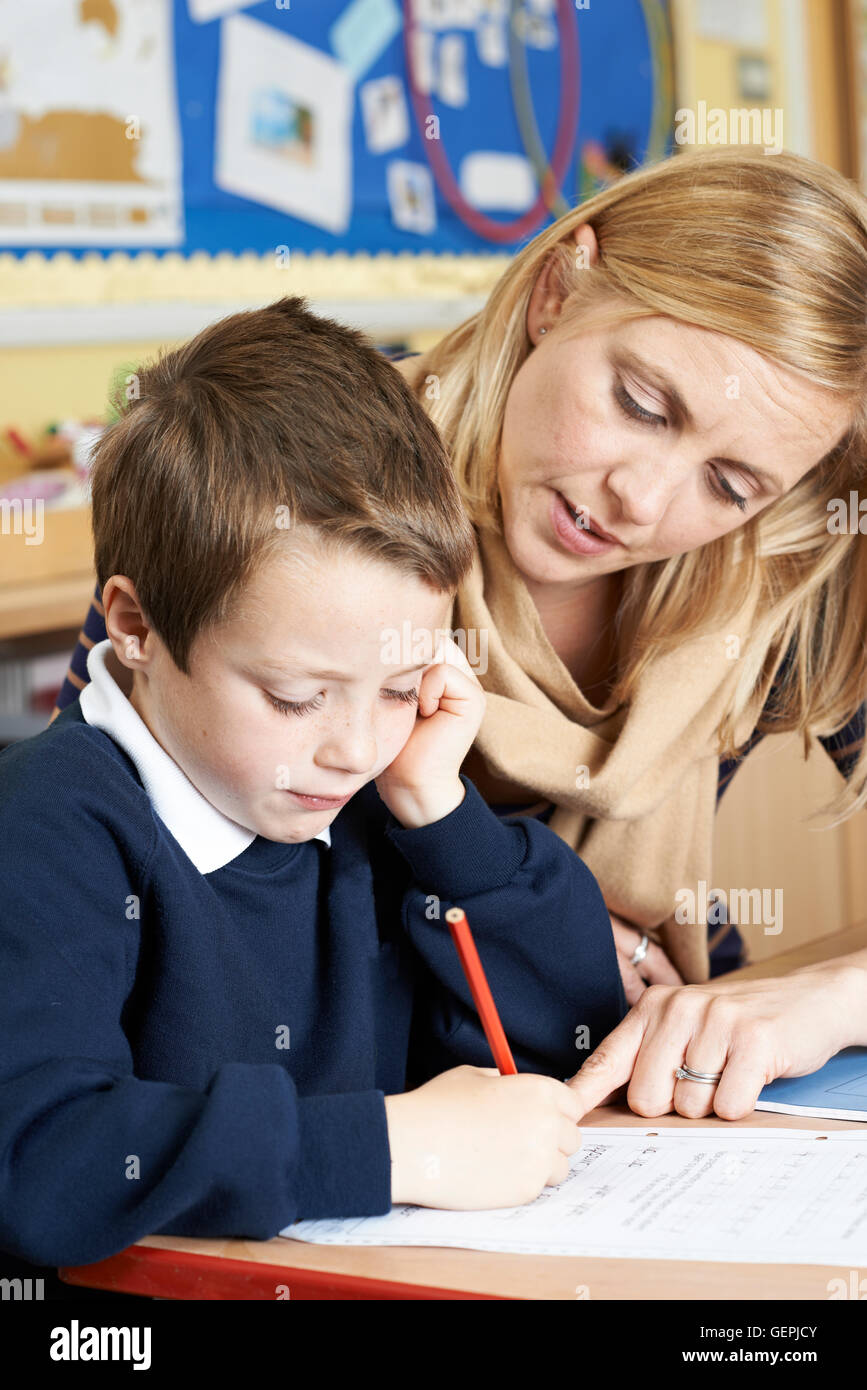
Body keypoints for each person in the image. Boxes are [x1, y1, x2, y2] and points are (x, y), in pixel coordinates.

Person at [52, 146, 867, 1122]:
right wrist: (512, 899)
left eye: (731, 486)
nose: (641, 502)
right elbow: (115, 874)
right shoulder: (284, 492)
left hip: (630, 1094)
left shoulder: (776, 585)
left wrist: (835, 994)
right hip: (309, 1110)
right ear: (559, 289)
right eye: (639, 404)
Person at [0, 298, 626, 1270]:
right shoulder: (54, 828)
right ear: (133, 625)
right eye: (297, 697)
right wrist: (387, 1146)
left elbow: (575, 1023)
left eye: (401, 687)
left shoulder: (372, 802)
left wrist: (441, 815)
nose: (356, 747)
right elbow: (38, 1158)